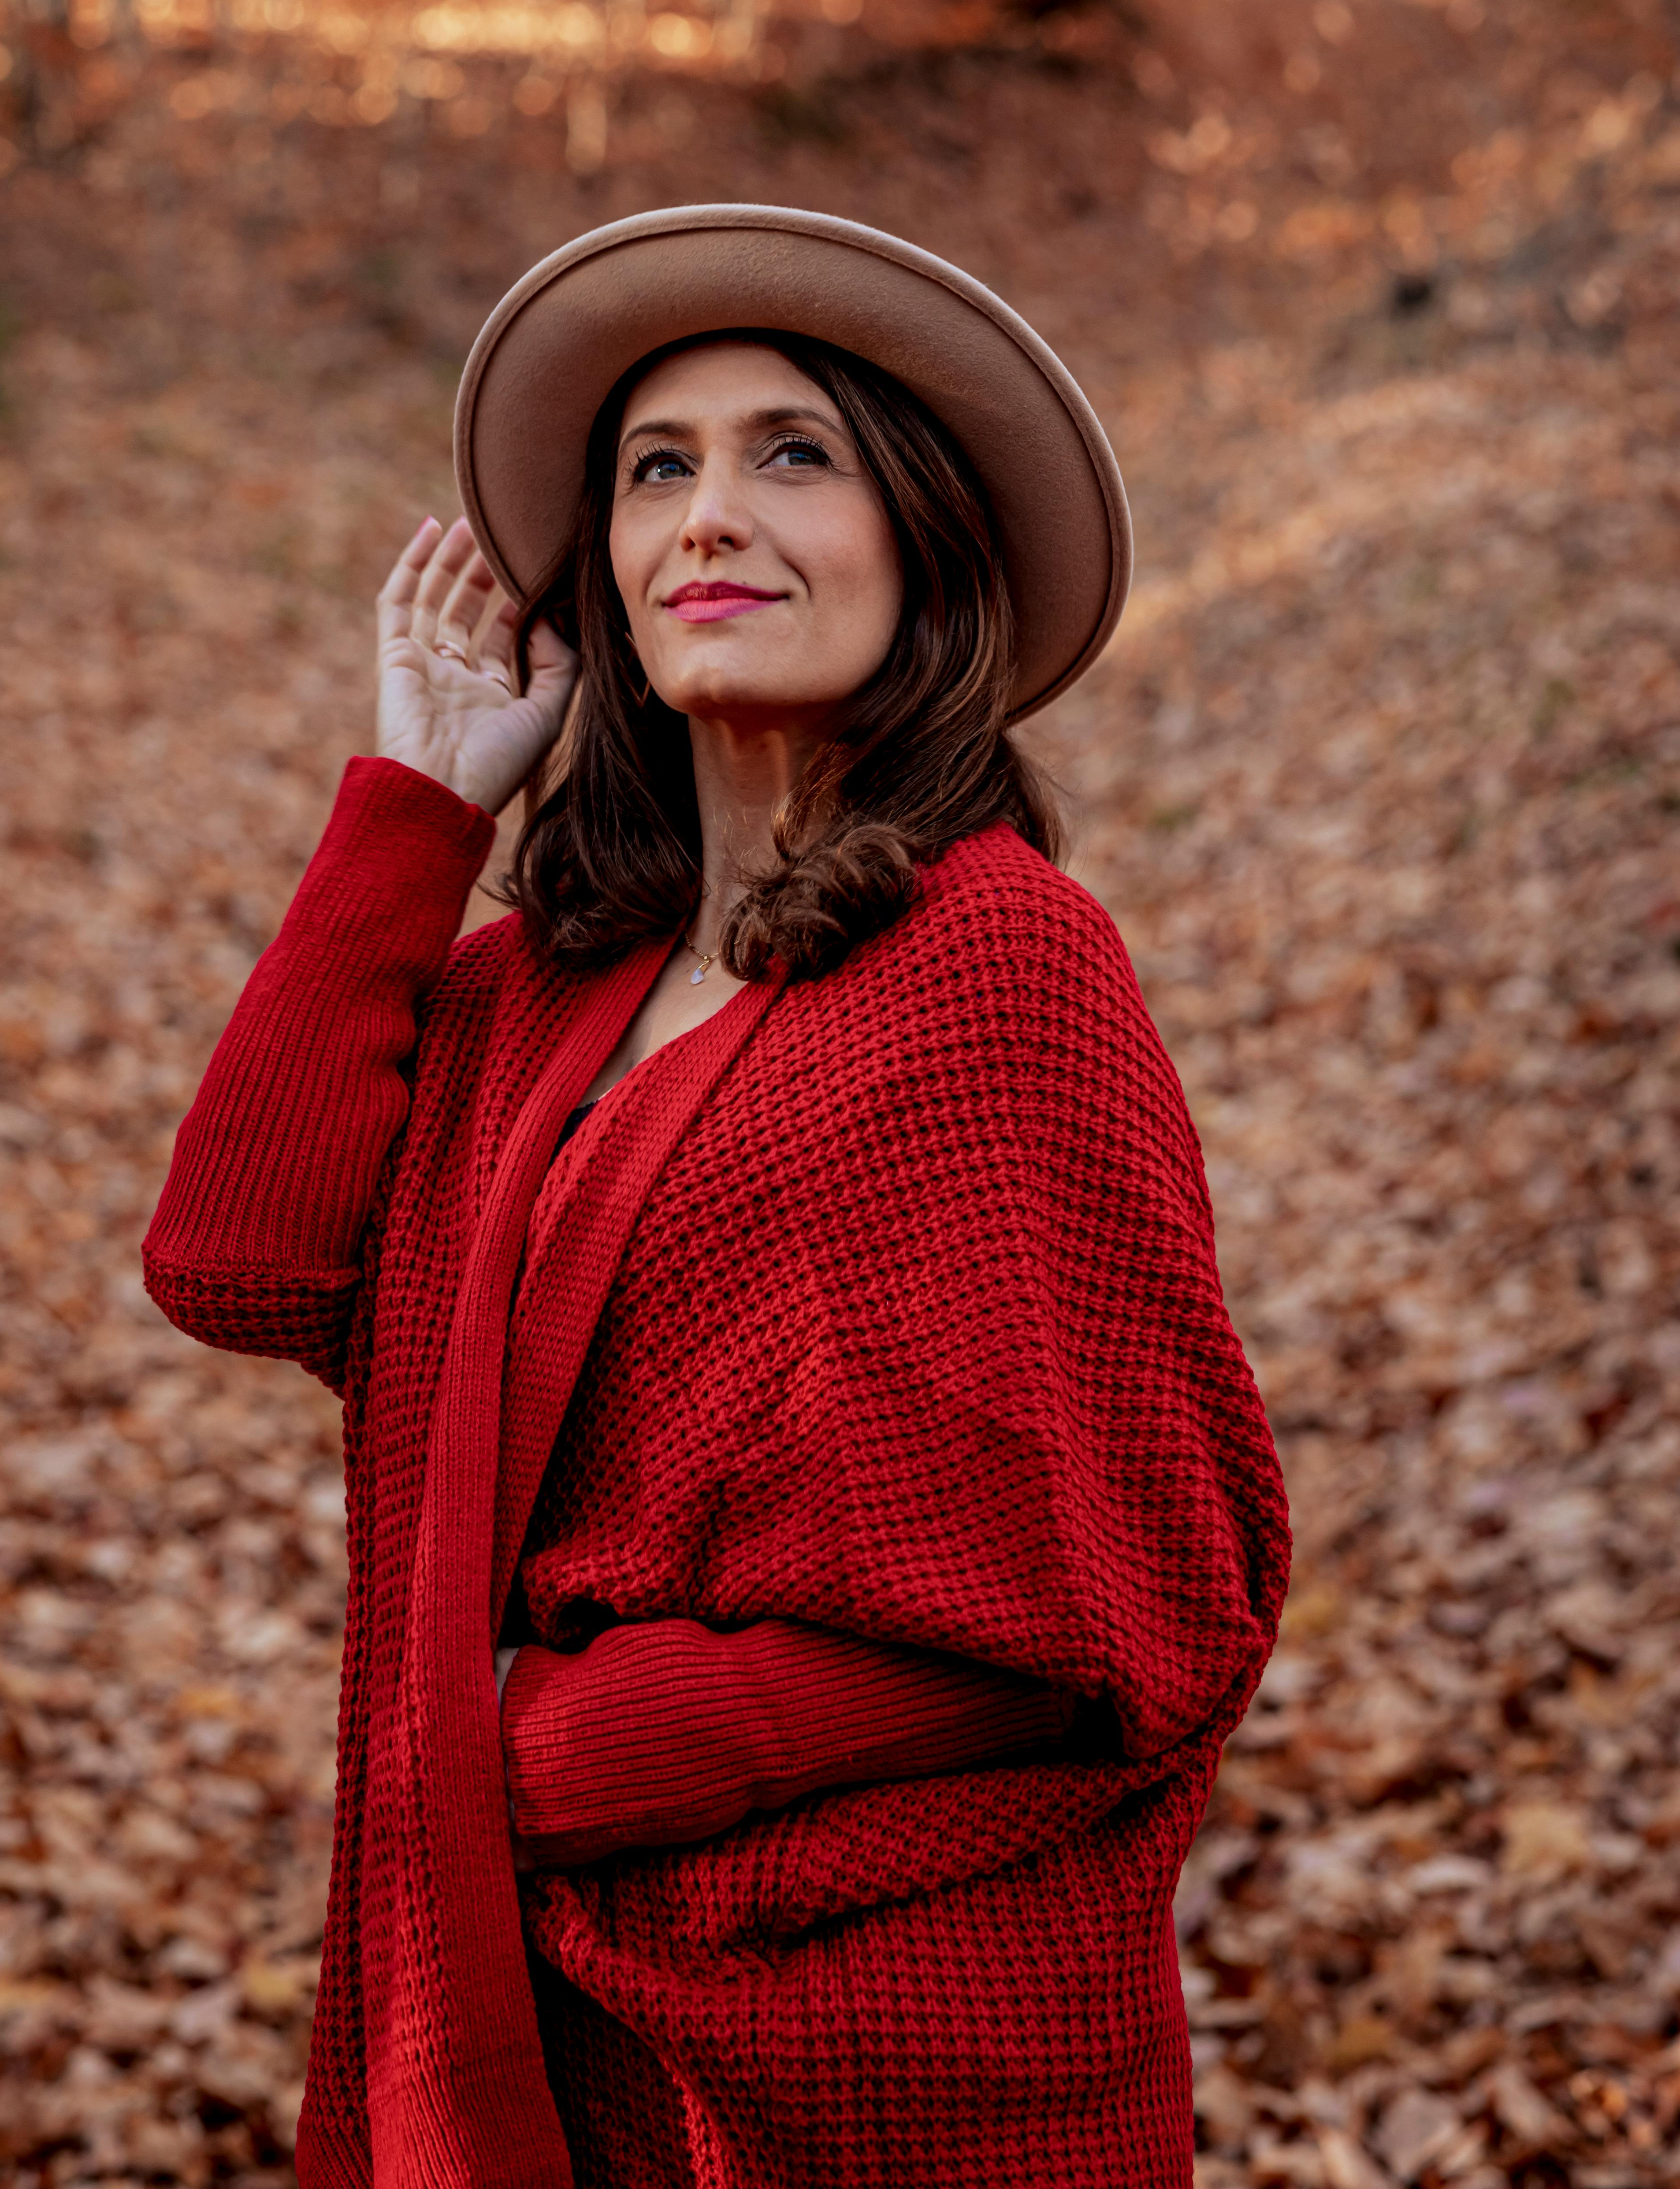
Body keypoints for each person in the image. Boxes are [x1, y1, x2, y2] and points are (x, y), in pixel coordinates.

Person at [142, 202, 1288, 2189]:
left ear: (925, 539)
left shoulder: (1006, 969)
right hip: (531, 2012)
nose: (707, 517)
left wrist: (559, 1752)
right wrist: (418, 813)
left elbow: (1151, 1593)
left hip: (890, 2057)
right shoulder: (531, 991)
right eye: (657, 469)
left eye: (793, 456)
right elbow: (235, 1265)